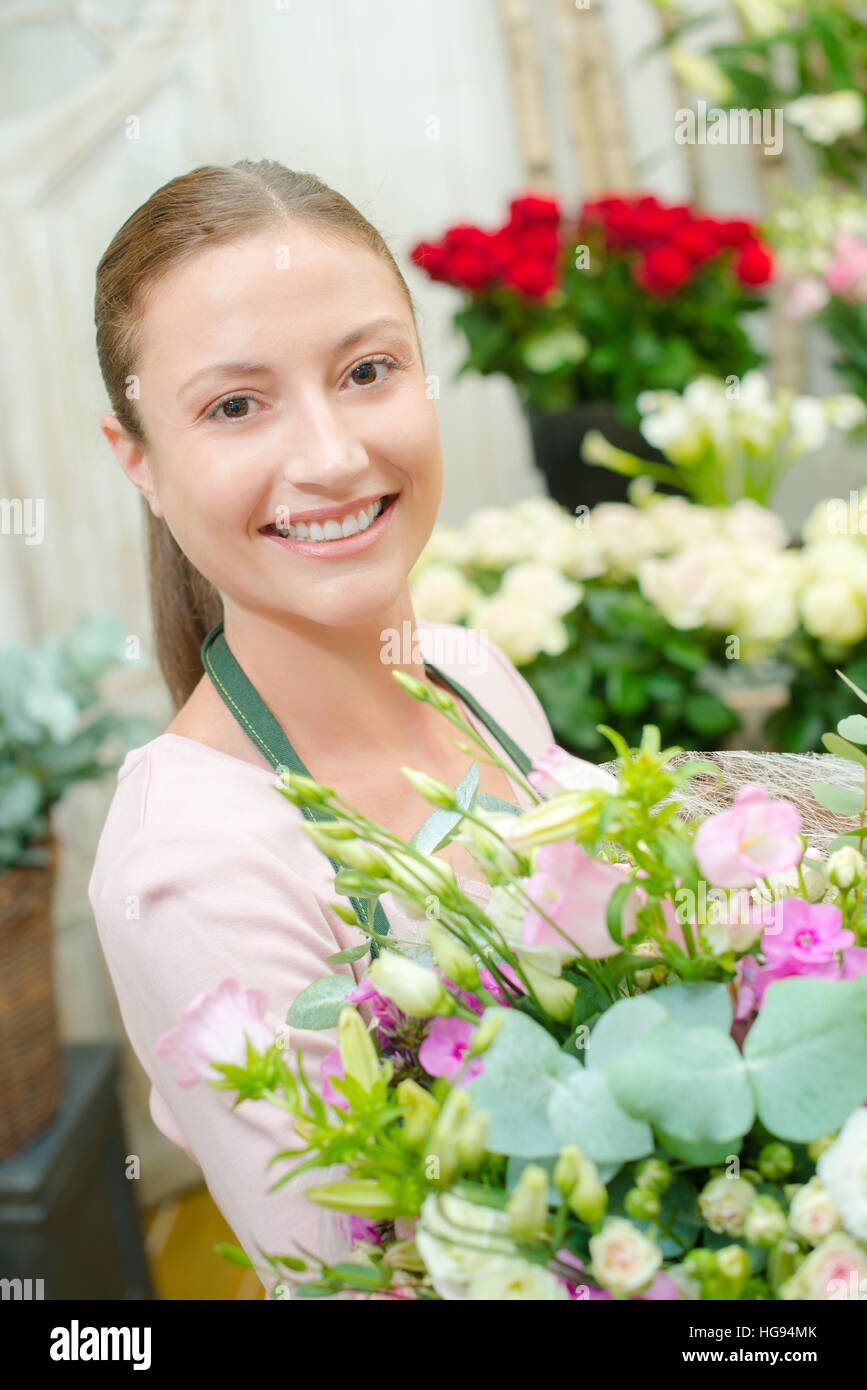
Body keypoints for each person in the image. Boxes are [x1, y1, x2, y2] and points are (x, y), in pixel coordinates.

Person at [87, 159, 568, 1297]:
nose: (334, 456)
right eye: (236, 404)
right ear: (138, 462)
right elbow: (358, 1280)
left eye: (367, 370)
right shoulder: (190, 867)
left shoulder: (470, 675)